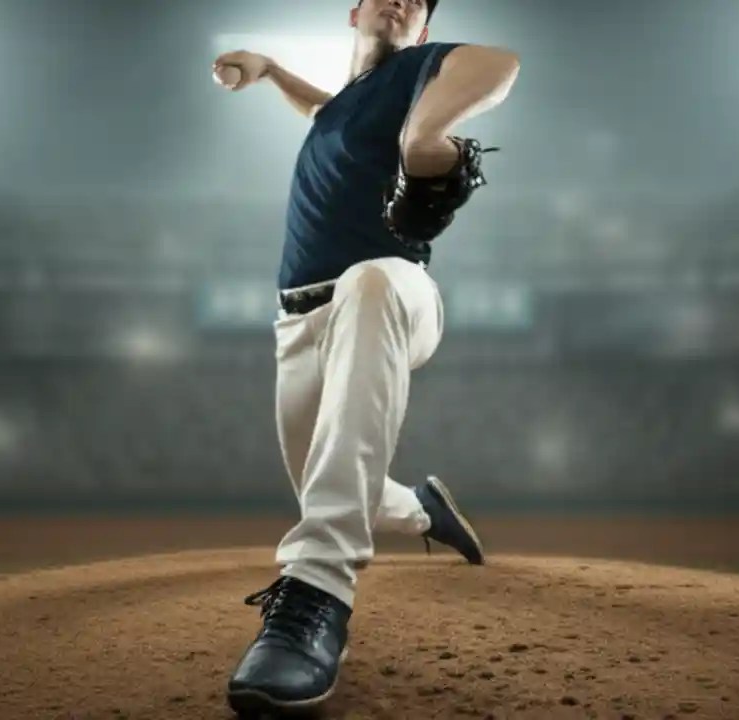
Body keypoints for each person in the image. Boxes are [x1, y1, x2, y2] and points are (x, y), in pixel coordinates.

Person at [212, 0, 520, 714]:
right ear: (354, 11)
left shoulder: (423, 70)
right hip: (298, 323)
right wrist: (271, 71)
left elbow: (500, 65)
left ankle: (315, 596)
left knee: (370, 279)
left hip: (394, 294)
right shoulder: (344, 108)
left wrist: (424, 133)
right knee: (339, 474)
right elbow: (324, 110)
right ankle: (425, 510)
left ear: (421, 25)